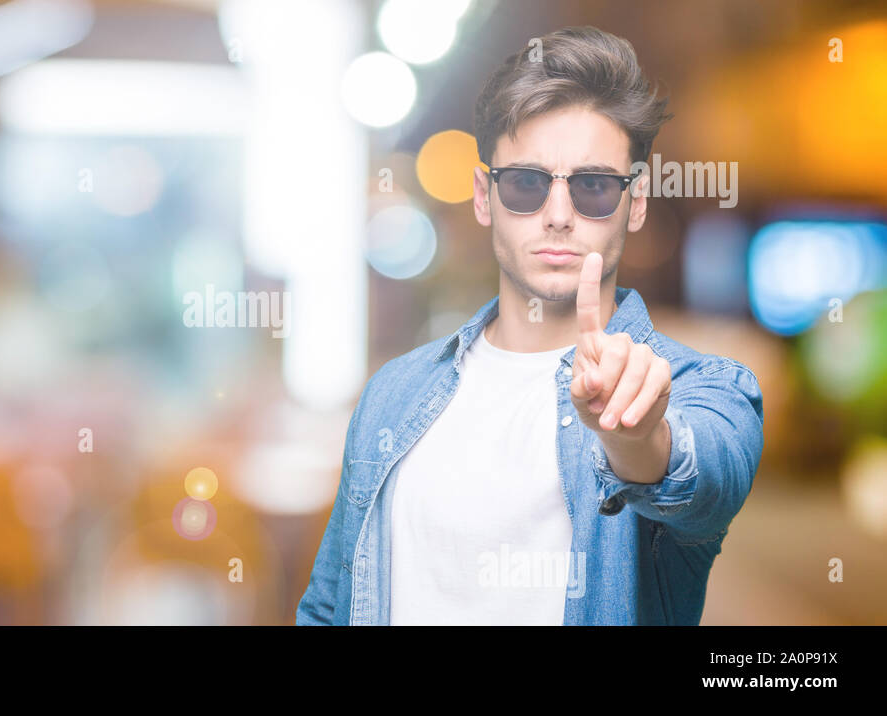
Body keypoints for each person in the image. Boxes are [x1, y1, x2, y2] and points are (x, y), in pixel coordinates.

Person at [296, 26, 763, 625]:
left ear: (637, 201)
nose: (560, 216)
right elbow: (329, 608)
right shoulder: (391, 395)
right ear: (484, 197)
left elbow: (704, 480)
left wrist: (634, 436)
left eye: (594, 186)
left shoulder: (705, 387)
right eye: (526, 183)